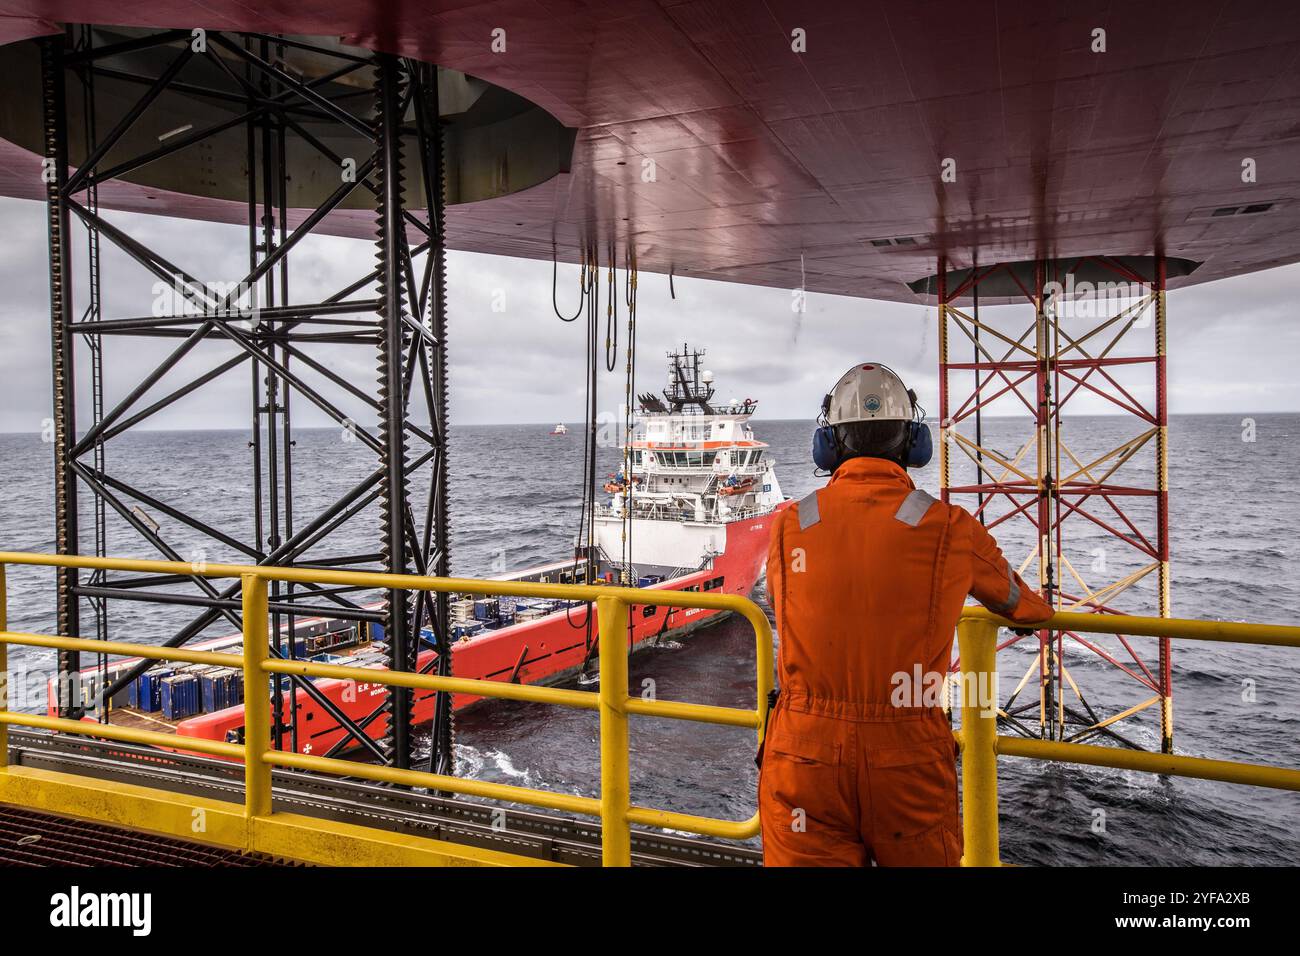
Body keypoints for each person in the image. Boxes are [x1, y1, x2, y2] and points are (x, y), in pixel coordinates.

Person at [758, 362, 1052, 866]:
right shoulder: (948, 527)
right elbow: (1025, 608)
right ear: (913, 442)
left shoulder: (791, 524)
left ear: (829, 445)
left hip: (803, 753)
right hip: (904, 755)